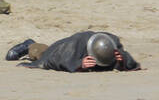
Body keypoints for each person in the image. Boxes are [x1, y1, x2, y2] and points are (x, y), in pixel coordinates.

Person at [5, 30, 139, 70]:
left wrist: (121, 62)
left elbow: (126, 60)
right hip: (62, 48)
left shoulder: (110, 43)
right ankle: (30, 45)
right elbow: (55, 60)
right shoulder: (74, 45)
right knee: (43, 53)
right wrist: (79, 64)